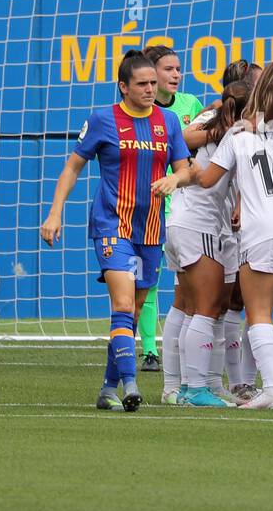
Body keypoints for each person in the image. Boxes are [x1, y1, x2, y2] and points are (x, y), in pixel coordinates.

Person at [154, 61, 273, 411]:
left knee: (257, 312)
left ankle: (270, 388)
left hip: (264, 228)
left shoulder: (239, 133)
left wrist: (180, 177)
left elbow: (208, 178)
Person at [40, 50, 193, 412]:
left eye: (153, 83)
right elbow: (73, 167)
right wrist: (55, 212)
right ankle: (130, 385)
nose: (150, 89)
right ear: (123, 87)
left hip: (151, 230)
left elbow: (187, 170)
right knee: (122, 304)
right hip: (112, 226)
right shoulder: (104, 120)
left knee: (135, 311)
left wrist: (175, 178)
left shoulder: (168, 121)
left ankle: (107, 387)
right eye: (142, 84)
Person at [155, 78, 251, 405]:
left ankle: (201, 384)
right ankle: (189, 388)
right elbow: (184, 145)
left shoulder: (219, 122)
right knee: (204, 308)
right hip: (198, 223)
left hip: (197, 222)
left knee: (206, 307)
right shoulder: (233, 131)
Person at [136, 43, 207, 375]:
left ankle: (186, 350)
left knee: (188, 282)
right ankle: (149, 349)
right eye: (169, 69)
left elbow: (205, 139)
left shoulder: (191, 104)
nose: (177, 74)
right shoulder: (138, 112)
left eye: (178, 69)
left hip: (186, 204)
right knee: (147, 282)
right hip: (151, 205)